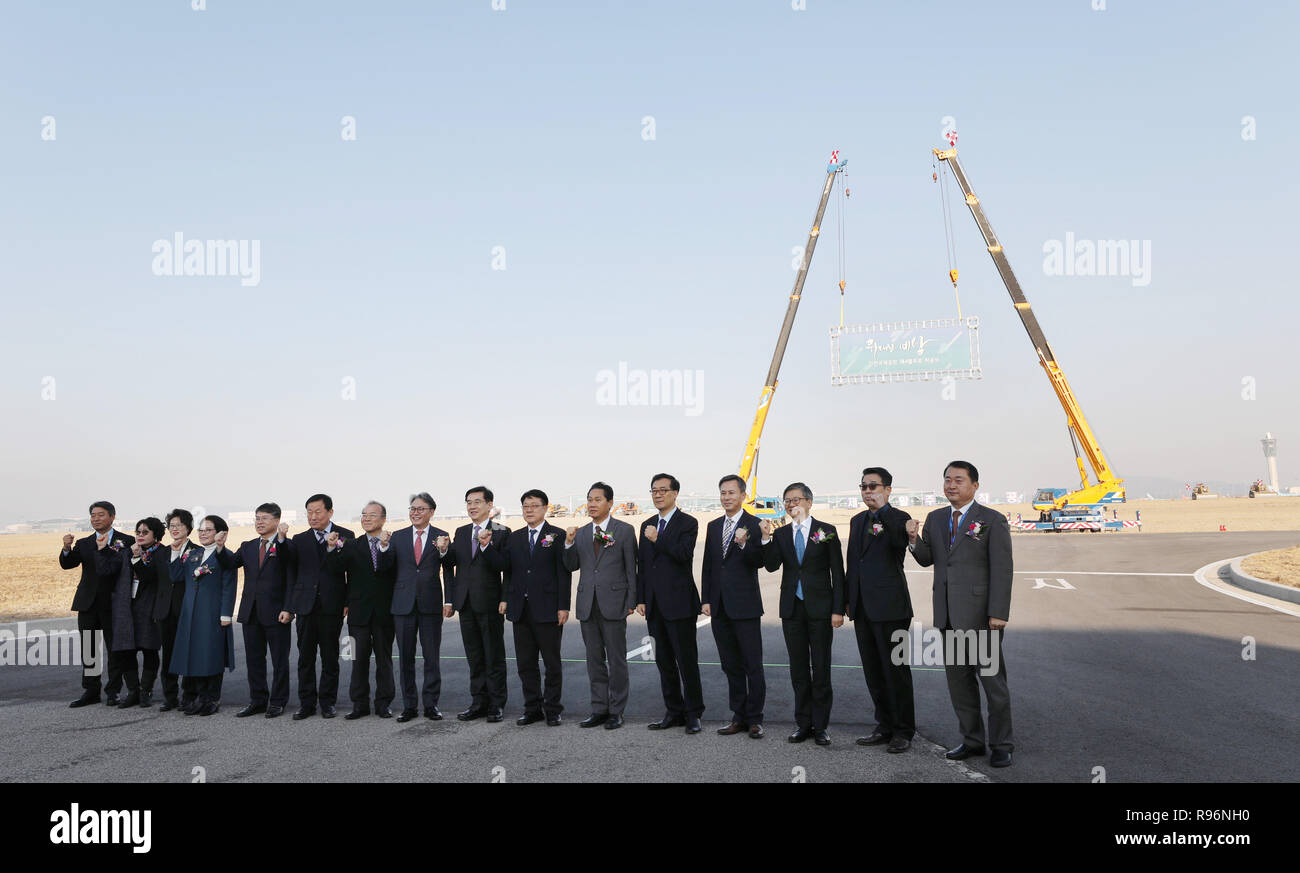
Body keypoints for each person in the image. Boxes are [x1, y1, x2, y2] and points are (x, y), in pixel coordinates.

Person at [908, 461, 1015, 767]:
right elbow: (928, 559)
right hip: (949, 617)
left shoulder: (992, 520)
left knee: (993, 685)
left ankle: (1002, 744)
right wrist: (914, 539)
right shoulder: (936, 518)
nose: (951, 485)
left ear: (974, 486)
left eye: (958, 480)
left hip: (982, 618)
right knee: (960, 685)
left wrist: (998, 613)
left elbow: (1002, 569)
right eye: (947, 480)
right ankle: (971, 741)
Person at [760, 483, 844, 746]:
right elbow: (772, 566)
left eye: (796, 499)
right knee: (798, 670)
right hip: (792, 609)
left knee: (820, 669)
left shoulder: (826, 531)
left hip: (820, 609)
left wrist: (837, 609)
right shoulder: (782, 533)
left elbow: (837, 573)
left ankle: (821, 727)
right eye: (787, 501)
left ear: (808, 502)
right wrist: (765, 539)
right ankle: (802, 724)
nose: (791, 504)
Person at [483, 489, 571, 726]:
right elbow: (506, 569)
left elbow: (563, 574)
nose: (529, 510)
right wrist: (487, 547)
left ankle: (552, 709)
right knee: (526, 663)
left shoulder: (557, 535)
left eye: (534, 505)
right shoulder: (515, 537)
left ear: (545, 508)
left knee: (551, 663)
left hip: (548, 609)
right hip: (520, 609)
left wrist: (563, 606)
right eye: (525, 506)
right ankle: (532, 708)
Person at [845, 467, 916, 753]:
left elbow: (899, 545)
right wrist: (848, 600)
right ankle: (884, 725)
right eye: (863, 486)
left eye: (873, 486)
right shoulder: (857, 520)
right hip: (863, 608)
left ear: (887, 490)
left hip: (891, 608)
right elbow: (853, 562)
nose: (867, 491)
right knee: (873, 671)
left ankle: (903, 730)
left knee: (895, 671)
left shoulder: (899, 518)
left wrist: (883, 511)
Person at [563, 482, 638, 730]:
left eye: (597, 499)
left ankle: (617, 711)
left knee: (616, 661)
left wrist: (631, 601)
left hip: (614, 603)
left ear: (610, 503)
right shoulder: (582, 533)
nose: (592, 504)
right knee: (593, 660)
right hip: (587, 604)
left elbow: (631, 569)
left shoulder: (624, 531)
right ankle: (599, 709)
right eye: (589, 499)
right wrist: (568, 543)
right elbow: (571, 565)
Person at [636, 473, 704, 734]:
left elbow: (683, 554)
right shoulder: (647, 523)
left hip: (679, 603)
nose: (658, 494)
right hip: (654, 605)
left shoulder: (688, 522)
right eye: (654, 490)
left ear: (675, 493)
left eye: (663, 490)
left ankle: (694, 713)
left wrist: (657, 539)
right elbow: (643, 565)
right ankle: (673, 712)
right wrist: (641, 598)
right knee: (664, 661)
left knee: (686, 661)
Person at [701, 475, 766, 738]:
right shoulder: (714, 526)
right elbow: (709, 565)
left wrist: (743, 544)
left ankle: (755, 719)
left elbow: (759, 561)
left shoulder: (754, 523)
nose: (726, 497)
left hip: (745, 605)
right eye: (723, 493)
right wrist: (706, 599)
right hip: (719, 606)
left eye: (731, 493)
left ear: (743, 495)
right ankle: (738, 716)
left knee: (753, 664)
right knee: (730, 665)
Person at [218, 503, 293, 718]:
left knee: (279, 660)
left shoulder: (285, 545)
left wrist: (288, 608)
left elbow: (291, 576)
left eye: (265, 518)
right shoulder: (248, 546)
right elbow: (231, 564)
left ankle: (278, 702)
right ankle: (258, 700)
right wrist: (221, 548)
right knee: (254, 660)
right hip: (250, 611)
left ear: (277, 521)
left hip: (277, 612)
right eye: (257, 518)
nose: (259, 522)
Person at [442, 486, 510, 723]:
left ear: (490, 505)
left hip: (490, 602)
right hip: (465, 602)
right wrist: (443, 551)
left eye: (477, 502)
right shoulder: (460, 532)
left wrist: (485, 546)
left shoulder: (502, 531)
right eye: (469, 502)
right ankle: (478, 702)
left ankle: (497, 704)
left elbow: (504, 566)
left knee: (493, 655)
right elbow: (452, 562)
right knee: (474, 656)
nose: (472, 506)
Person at [323, 502, 396, 719]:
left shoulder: (392, 542)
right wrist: (330, 547)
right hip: (358, 613)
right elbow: (336, 568)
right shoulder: (351, 544)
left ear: (382, 519)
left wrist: (383, 547)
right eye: (363, 515)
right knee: (358, 660)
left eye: (372, 515)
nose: (366, 518)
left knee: (384, 660)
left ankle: (383, 704)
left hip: (384, 612)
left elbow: (389, 568)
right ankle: (359, 704)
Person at [59, 501, 134, 707]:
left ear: (112, 517)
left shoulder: (126, 541)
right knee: (90, 648)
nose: (96, 519)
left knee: (115, 648)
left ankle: (113, 691)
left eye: (100, 515)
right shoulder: (84, 543)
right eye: (93, 515)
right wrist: (66, 548)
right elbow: (68, 564)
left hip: (113, 603)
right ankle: (91, 690)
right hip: (88, 603)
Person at [286, 493, 354, 719]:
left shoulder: (345, 535)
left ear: (330, 512)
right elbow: (292, 573)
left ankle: (327, 702)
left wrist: (346, 602)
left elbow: (349, 572)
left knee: (330, 656)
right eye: (309, 512)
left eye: (317, 511)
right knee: (305, 657)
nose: (312, 516)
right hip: (305, 605)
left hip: (331, 605)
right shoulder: (299, 539)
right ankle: (306, 703)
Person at [389, 492, 451, 723]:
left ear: (431, 512)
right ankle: (409, 706)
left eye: (420, 509)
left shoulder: (441, 536)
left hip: (430, 605)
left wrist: (449, 601)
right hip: (403, 605)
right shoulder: (397, 536)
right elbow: (387, 569)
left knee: (431, 657)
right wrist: (384, 548)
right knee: (405, 658)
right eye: (412, 509)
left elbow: (450, 569)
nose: (415, 512)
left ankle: (431, 704)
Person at [169, 515, 236, 715]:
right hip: (190, 613)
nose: (203, 533)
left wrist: (226, 614)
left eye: (208, 529)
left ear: (220, 533)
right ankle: (191, 696)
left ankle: (210, 698)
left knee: (210, 655)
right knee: (191, 653)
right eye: (201, 530)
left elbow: (229, 585)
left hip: (212, 613)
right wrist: (174, 554)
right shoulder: (193, 554)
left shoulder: (225, 555)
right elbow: (176, 576)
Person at [109, 517, 168, 708]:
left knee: (150, 649)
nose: (140, 536)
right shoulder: (128, 551)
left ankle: (146, 690)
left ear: (156, 535)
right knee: (126, 650)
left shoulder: (162, 552)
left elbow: (149, 575)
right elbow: (108, 569)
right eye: (138, 532)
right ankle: (133, 690)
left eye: (145, 532)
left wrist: (136, 558)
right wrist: (104, 550)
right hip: (128, 608)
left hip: (150, 607)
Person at [155, 509, 198, 711]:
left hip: (187, 609)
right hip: (165, 610)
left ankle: (189, 695)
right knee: (169, 655)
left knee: (189, 653)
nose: (175, 529)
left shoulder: (197, 551)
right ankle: (170, 697)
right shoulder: (161, 552)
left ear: (188, 528)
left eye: (179, 525)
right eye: (171, 526)